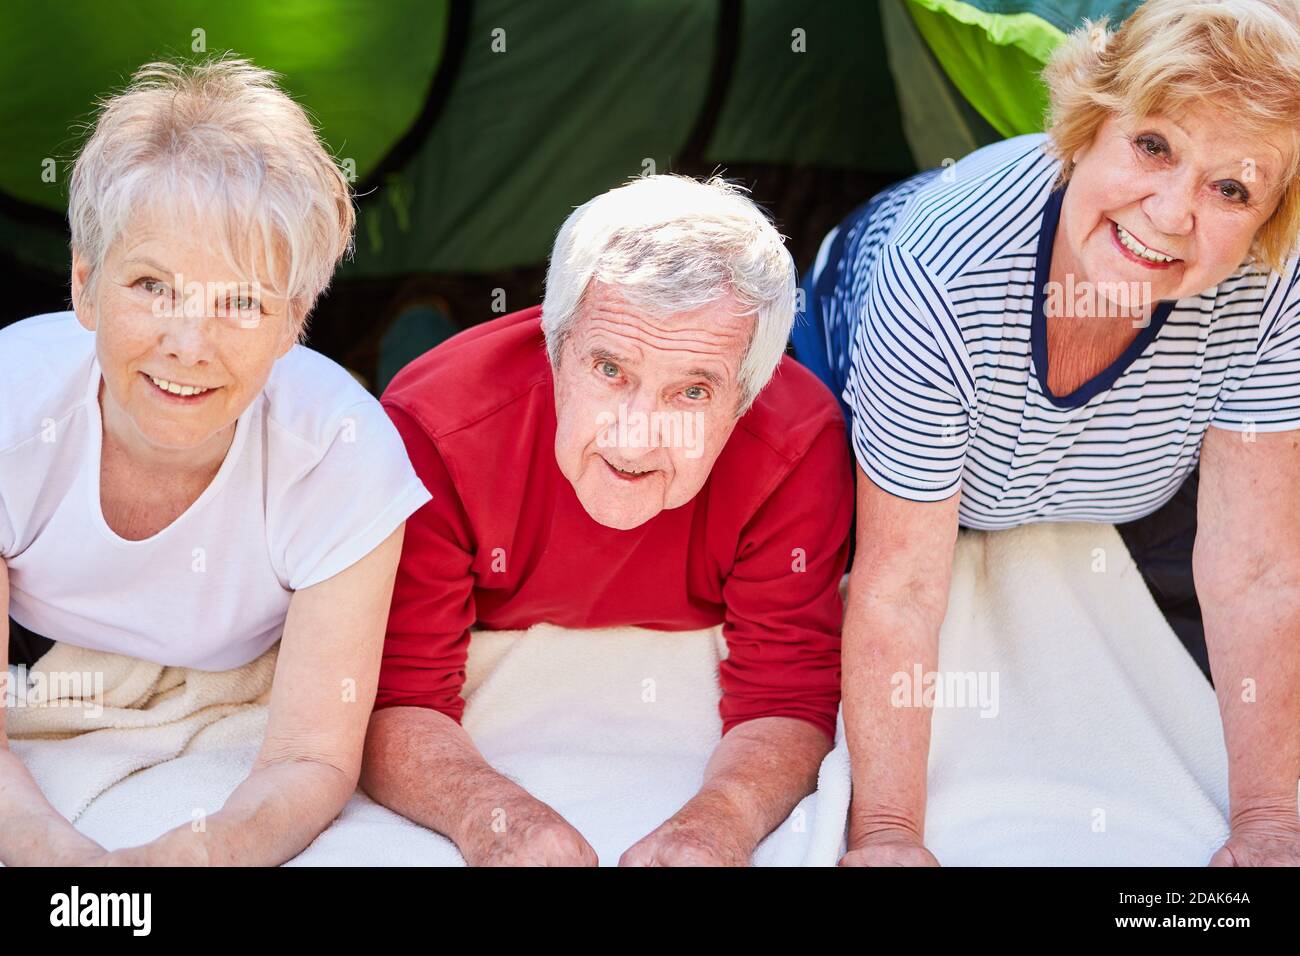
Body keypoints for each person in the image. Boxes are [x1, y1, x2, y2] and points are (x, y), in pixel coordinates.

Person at [794, 0, 1300, 866]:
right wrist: (887, 836)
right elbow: (902, 590)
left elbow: (1255, 573)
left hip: (1115, 476)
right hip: (848, 362)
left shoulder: (1274, 283)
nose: (1172, 213)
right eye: (1154, 146)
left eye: (1231, 189)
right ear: (1087, 127)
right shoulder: (940, 267)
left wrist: (1270, 827)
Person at [0, 57, 431, 866]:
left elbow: (310, 753)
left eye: (242, 301)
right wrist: (52, 854)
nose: (188, 346)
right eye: (153, 286)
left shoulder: (341, 454)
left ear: (295, 319)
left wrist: (207, 852)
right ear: (85, 287)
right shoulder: (9, 413)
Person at [361, 174, 854, 866]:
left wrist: (714, 831)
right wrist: (495, 819)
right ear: (555, 344)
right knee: (408, 349)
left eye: (691, 389)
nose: (634, 437)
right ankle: (418, 310)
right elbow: (396, 694)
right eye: (609, 368)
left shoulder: (798, 444)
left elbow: (790, 694)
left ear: (747, 393)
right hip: (441, 378)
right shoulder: (433, 427)